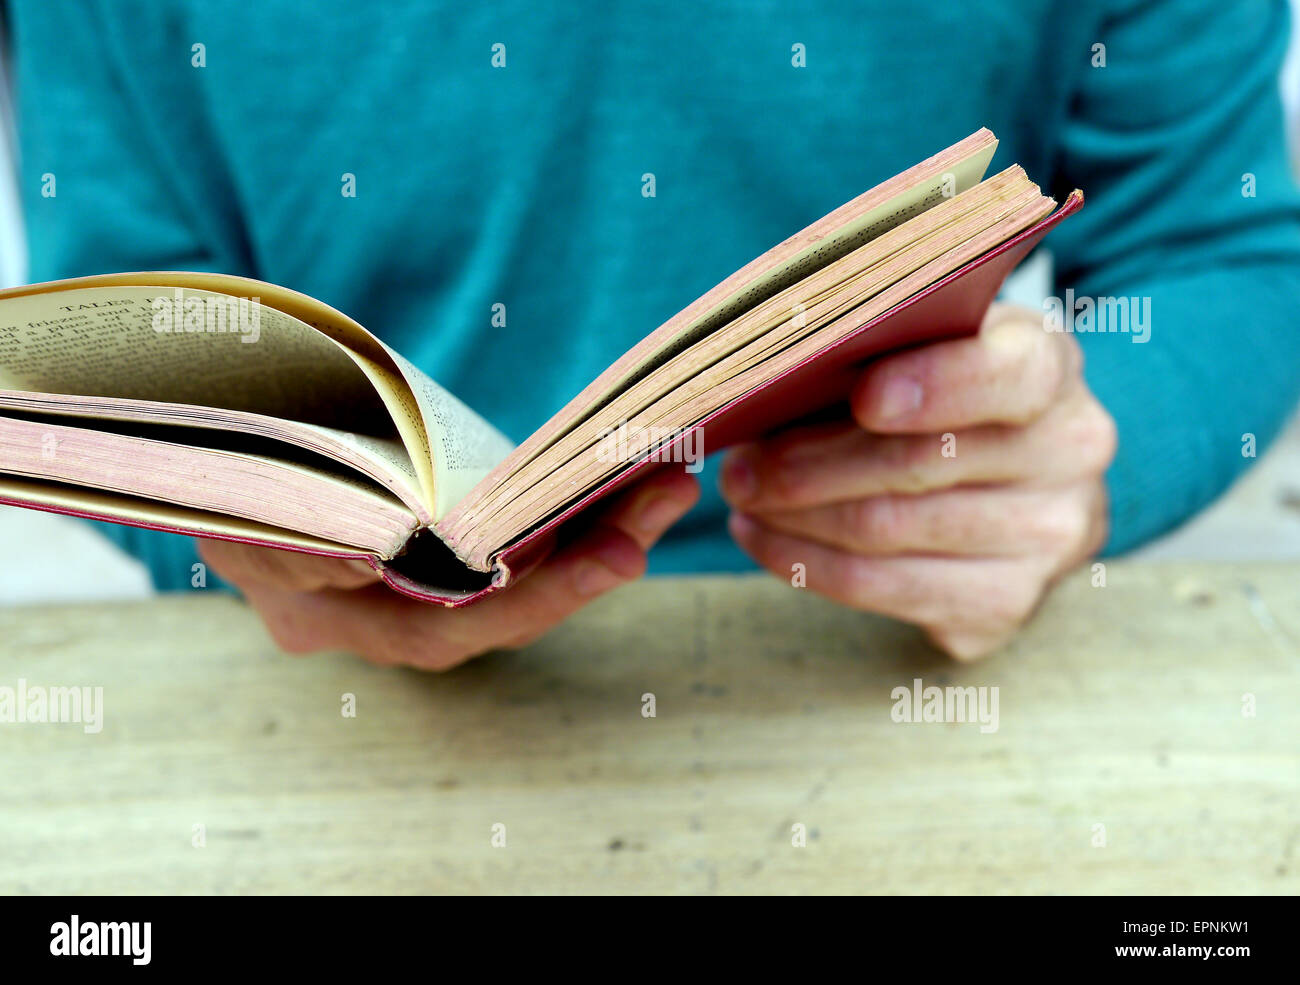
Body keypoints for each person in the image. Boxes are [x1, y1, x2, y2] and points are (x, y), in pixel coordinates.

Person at [8, 1, 1300, 665]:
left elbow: (1217, 244)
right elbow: (122, 325)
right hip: (320, 698)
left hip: (880, 648)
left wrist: (1086, 466)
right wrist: (245, 532)